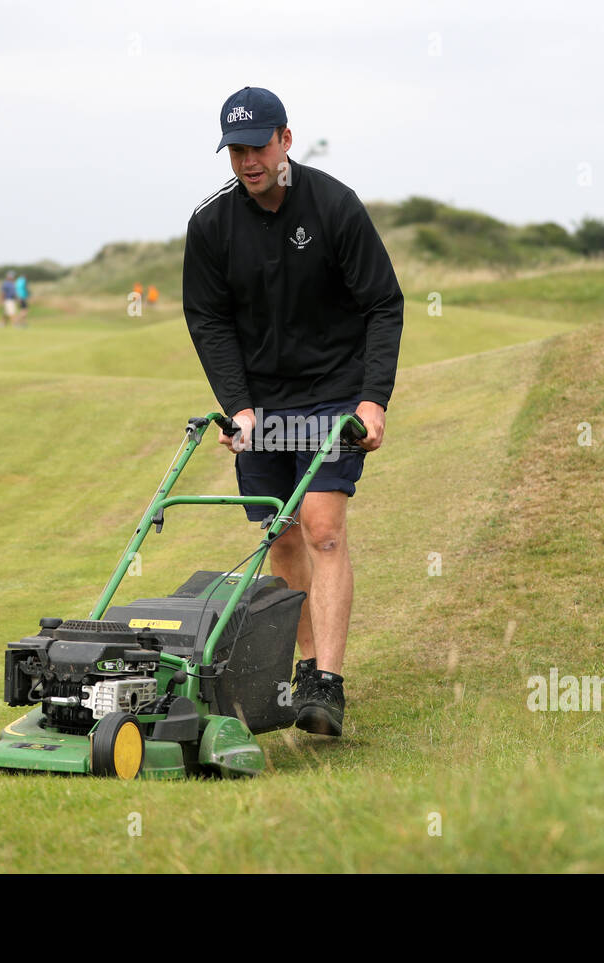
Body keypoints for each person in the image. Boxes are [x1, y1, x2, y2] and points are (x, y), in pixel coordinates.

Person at [182, 86, 403, 738]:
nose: (248, 161)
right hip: (263, 402)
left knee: (323, 524)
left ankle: (327, 682)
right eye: (236, 150)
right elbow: (209, 320)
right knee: (281, 534)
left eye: (258, 146)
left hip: (334, 392)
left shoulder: (333, 206)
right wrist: (239, 408)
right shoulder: (212, 225)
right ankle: (304, 672)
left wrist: (373, 398)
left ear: (285, 138)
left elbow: (383, 304)